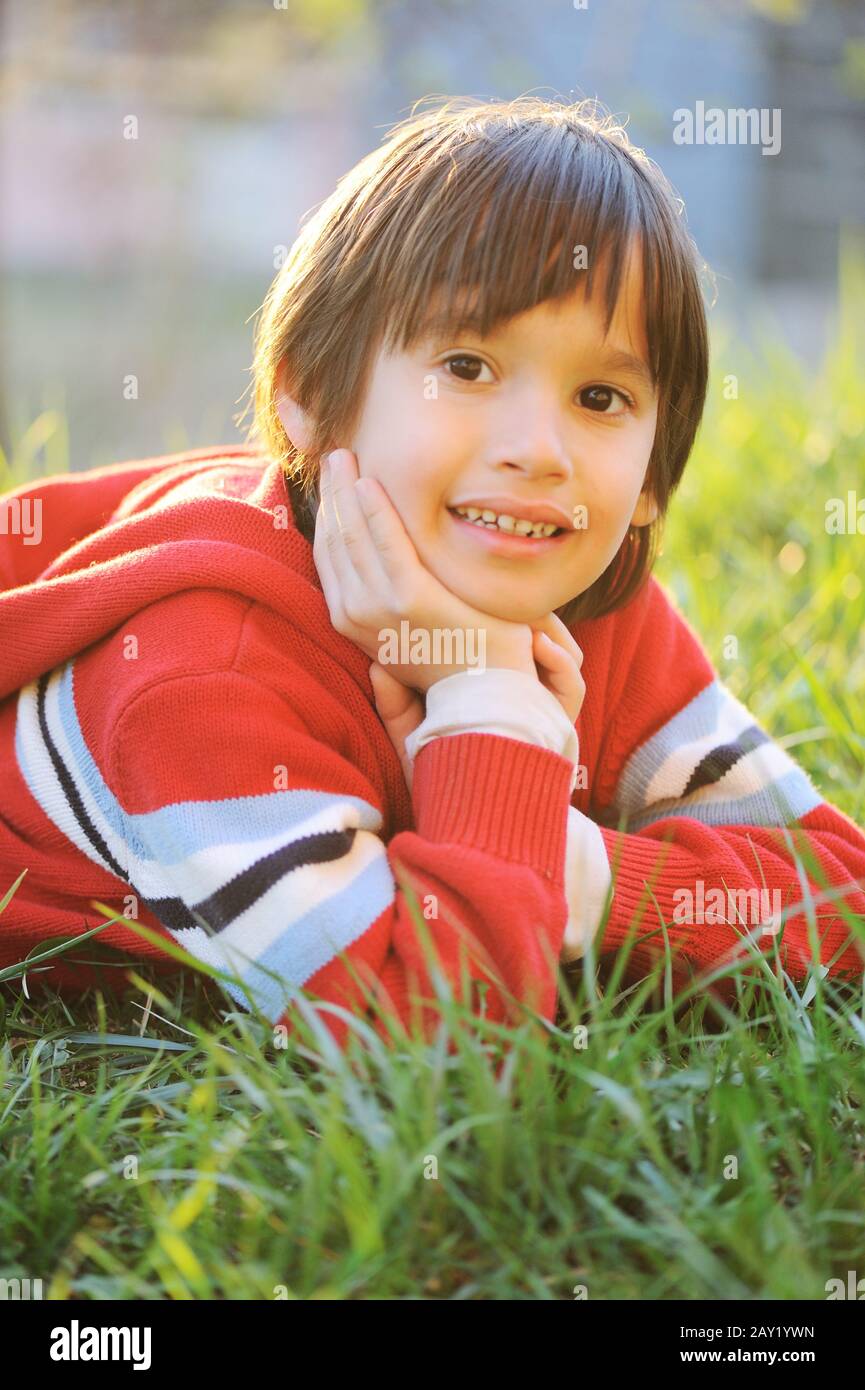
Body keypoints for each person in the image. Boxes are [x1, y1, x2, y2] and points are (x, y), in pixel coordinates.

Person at [1, 96, 863, 1053]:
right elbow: (428, 1043)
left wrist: (580, 875)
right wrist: (485, 693)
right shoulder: (205, 670)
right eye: (466, 364)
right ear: (312, 396)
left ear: (655, 477)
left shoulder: (587, 593)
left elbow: (844, 894)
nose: (538, 450)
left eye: (600, 396)